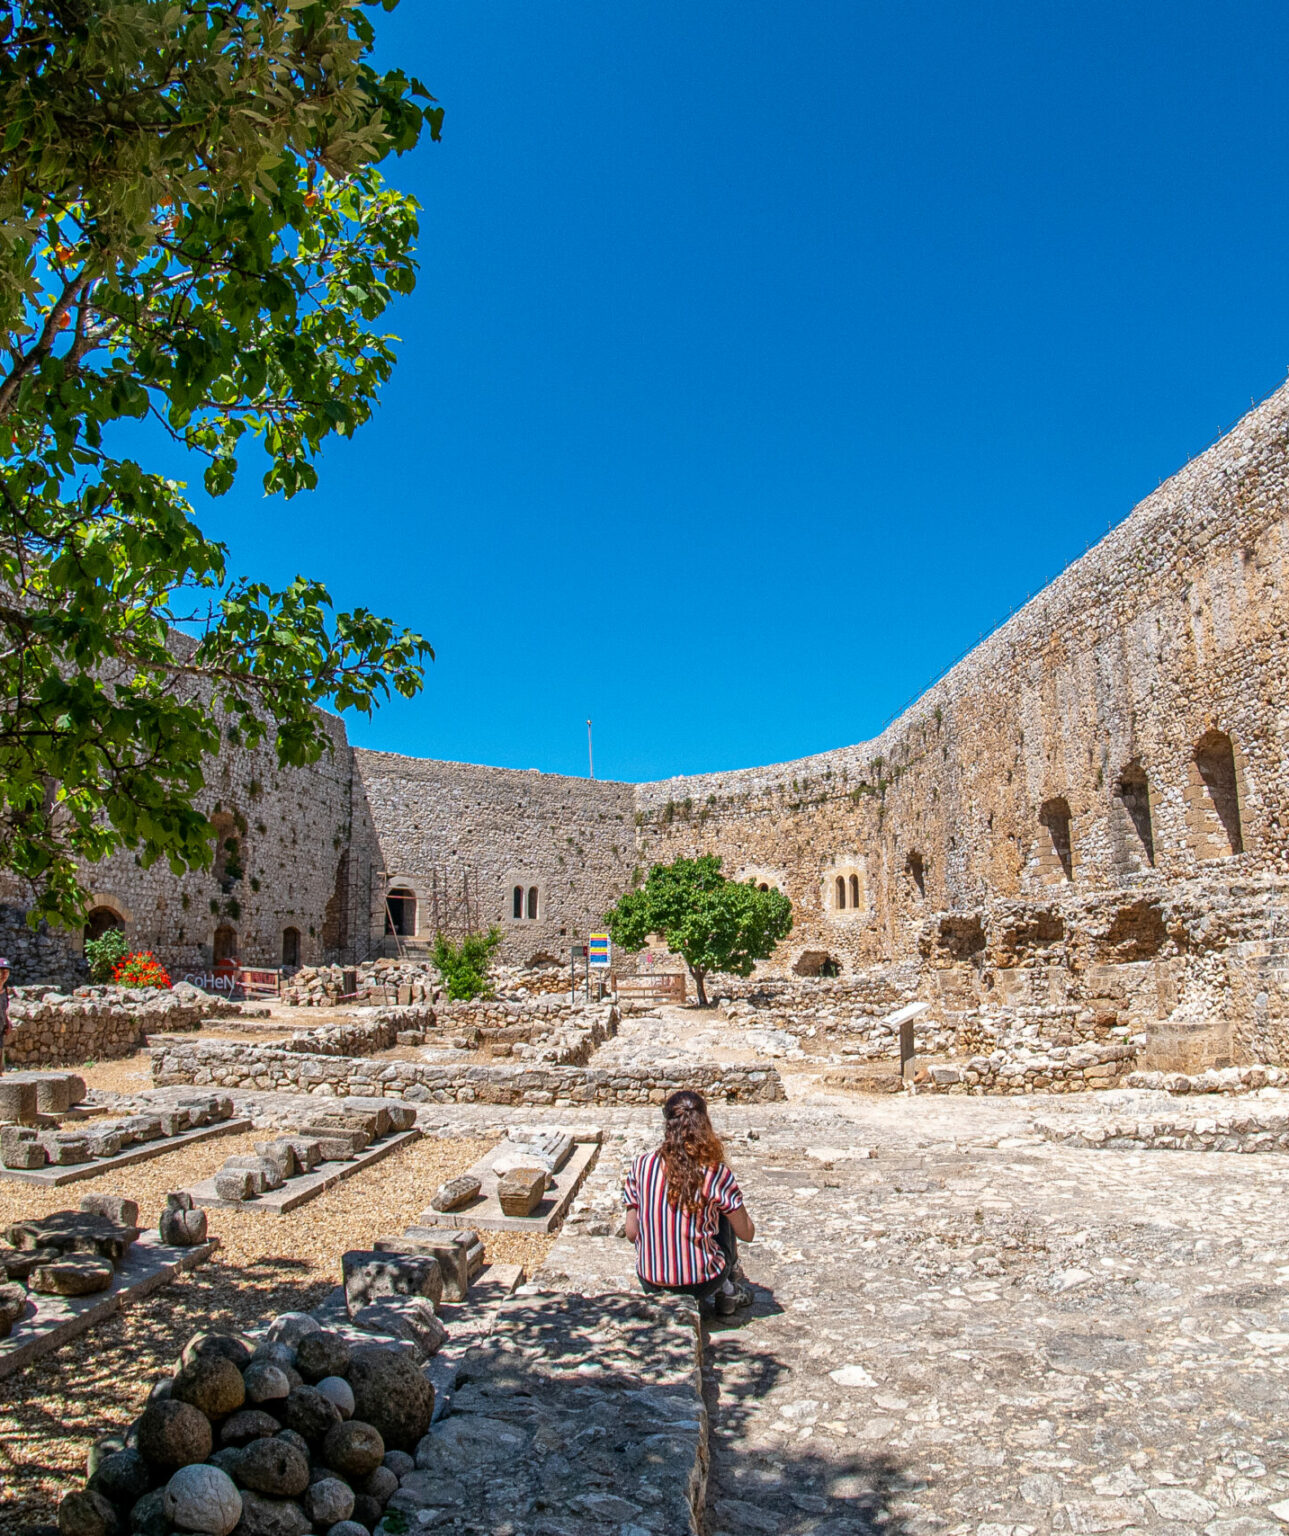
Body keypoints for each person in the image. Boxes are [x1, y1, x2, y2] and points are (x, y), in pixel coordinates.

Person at [622, 1088, 755, 1317]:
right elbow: (747, 1234)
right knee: (723, 1211)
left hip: (650, 1280)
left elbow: (632, 1233)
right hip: (701, 1282)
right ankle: (728, 1291)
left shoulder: (641, 1166)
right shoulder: (714, 1172)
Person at [0, 958, 10, 1074]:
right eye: (1, 971)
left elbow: (4, 1009)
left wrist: (7, 1023)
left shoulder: (5, 990)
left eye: (6, 972)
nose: (4, 975)